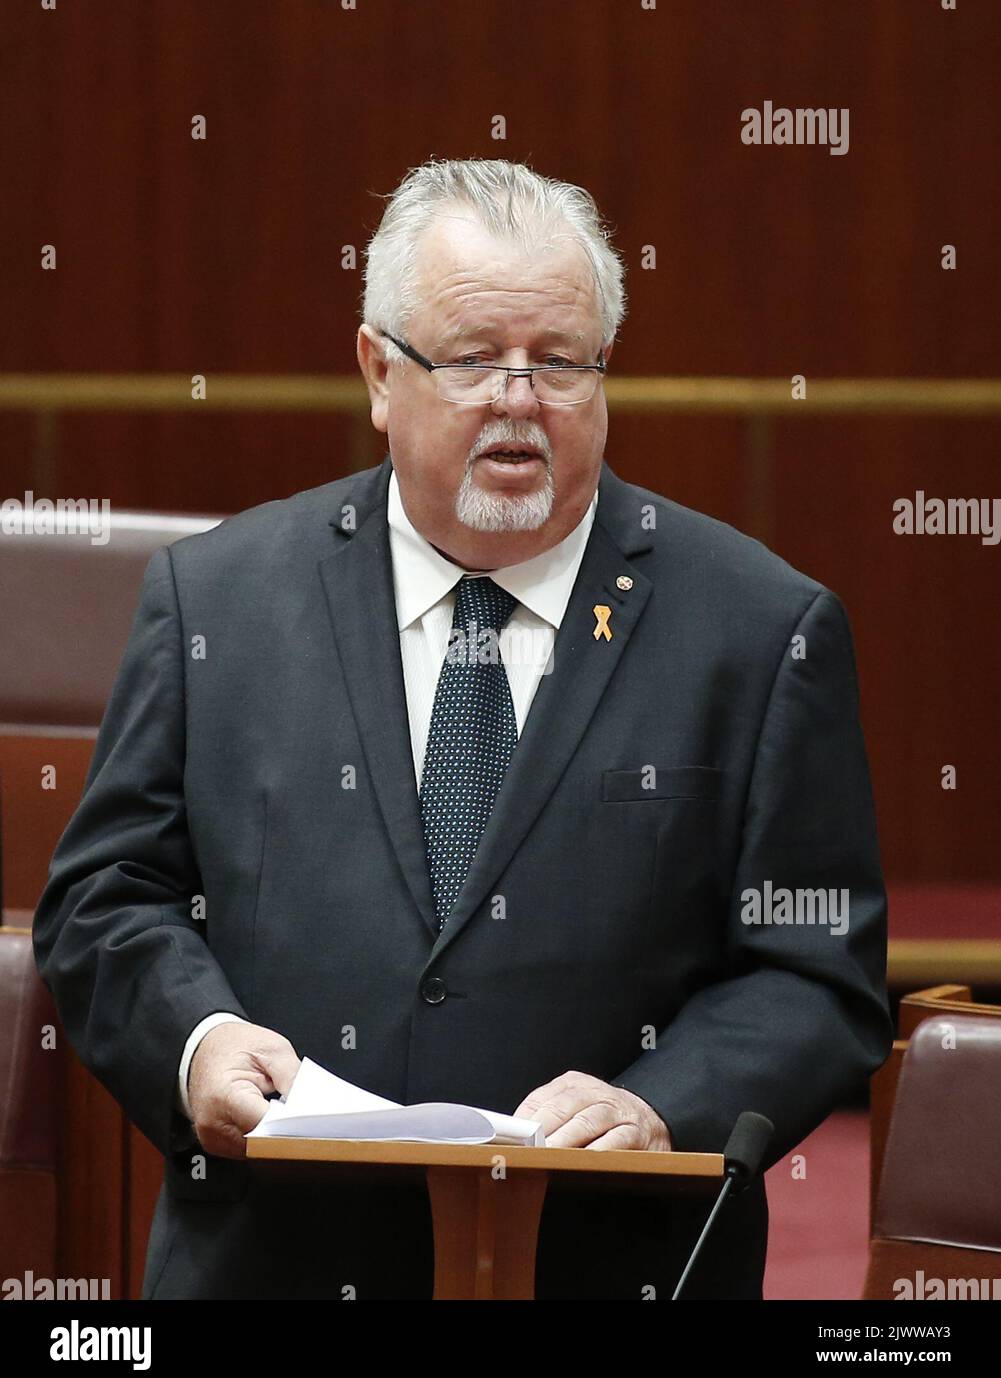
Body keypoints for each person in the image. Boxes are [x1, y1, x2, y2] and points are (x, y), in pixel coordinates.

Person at [33, 157, 892, 1300]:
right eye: (476, 359)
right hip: (275, 1262)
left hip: (601, 1262)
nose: (520, 400)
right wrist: (194, 1044)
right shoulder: (217, 601)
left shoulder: (759, 628)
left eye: (560, 362)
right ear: (378, 372)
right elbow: (104, 897)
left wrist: (658, 1107)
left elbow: (815, 973)